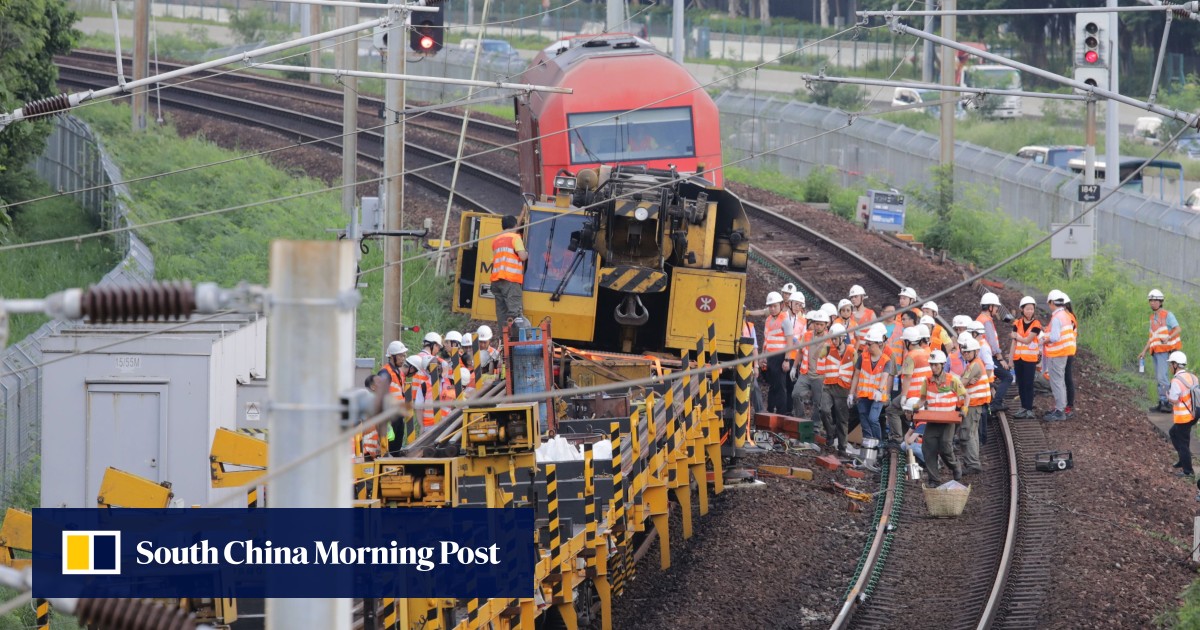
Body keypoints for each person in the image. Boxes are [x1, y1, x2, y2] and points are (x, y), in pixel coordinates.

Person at [915, 349, 966, 485]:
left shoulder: (952, 380)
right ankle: (934, 479)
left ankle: (955, 465)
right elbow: (922, 398)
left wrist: (964, 408)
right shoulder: (927, 381)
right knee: (928, 447)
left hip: (948, 421)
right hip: (932, 420)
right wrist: (916, 406)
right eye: (931, 365)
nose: (933, 368)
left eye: (936, 365)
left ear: (943, 365)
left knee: (945, 447)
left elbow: (965, 396)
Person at [1138, 289, 1182, 413]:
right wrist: (1144, 351)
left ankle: (1166, 403)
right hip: (1155, 351)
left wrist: (1168, 337)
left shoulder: (1167, 315)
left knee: (1162, 377)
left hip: (1164, 351)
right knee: (1159, 377)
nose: (1152, 303)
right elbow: (1151, 337)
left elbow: (1178, 329)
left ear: (1161, 301)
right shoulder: (1152, 318)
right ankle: (1162, 402)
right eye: (1151, 300)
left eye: (1155, 300)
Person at [884, 325, 931, 441]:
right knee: (909, 416)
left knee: (891, 410)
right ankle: (908, 438)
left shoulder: (911, 356)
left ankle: (897, 438)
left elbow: (908, 377)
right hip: (923, 394)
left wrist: (904, 396)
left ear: (908, 342)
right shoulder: (926, 353)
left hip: (912, 394)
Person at [848, 325, 891, 443]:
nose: (867, 346)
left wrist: (879, 390)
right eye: (867, 343)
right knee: (864, 418)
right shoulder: (863, 357)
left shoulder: (886, 360)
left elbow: (885, 376)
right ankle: (868, 442)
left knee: (873, 418)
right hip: (863, 395)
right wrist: (851, 393)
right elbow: (856, 375)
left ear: (879, 343)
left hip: (877, 396)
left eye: (870, 344)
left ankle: (878, 443)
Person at [820, 323, 854, 456]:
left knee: (842, 419)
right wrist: (824, 346)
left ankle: (842, 447)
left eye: (835, 339)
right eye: (832, 338)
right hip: (828, 386)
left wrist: (853, 392)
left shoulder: (852, 351)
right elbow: (819, 356)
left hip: (843, 389)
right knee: (824, 410)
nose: (833, 341)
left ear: (842, 338)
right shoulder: (828, 348)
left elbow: (857, 371)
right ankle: (830, 433)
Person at [1041, 289, 1075, 421]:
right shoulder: (1065, 315)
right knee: (1060, 381)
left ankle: (1060, 411)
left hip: (1057, 353)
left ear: (1051, 302)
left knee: (1057, 382)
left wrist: (1044, 340)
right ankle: (1060, 408)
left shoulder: (1056, 317)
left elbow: (1054, 337)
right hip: (1064, 352)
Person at [793, 310, 830, 427]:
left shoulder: (829, 339)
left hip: (820, 376)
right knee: (795, 394)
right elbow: (800, 352)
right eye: (816, 324)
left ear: (826, 325)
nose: (818, 326)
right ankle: (801, 419)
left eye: (821, 324)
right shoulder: (807, 335)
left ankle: (816, 425)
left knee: (817, 402)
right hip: (806, 373)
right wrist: (794, 367)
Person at [958, 336, 989, 474]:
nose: (965, 354)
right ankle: (973, 462)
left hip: (972, 405)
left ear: (976, 352)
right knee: (972, 433)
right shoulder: (973, 364)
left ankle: (973, 464)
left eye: (968, 352)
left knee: (967, 433)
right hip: (974, 405)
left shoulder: (974, 365)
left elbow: (961, 383)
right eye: (964, 352)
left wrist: (961, 381)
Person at [490, 215, 527, 328]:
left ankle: (503, 336)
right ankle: (514, 337)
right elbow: (522, 257)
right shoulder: (515, 238)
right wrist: (527, 253)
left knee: (501, 312)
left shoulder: (496, 240)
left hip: (496, 281)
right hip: (510, 280)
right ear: (515, 226)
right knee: (514, 312)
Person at [977, 292, 1013, 411]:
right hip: (987, 356)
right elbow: (992, 342)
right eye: (996, 306)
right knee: (1008, 377)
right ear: (990, 307)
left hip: (981, 355)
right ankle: (996, 403)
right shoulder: (986, 321)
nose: (997, 309)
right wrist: (1000, 358)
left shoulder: (980, 318)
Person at [1009, 296, 1042, 418]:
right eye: (1027, 309)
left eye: (1031, 309)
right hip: (1018, 359)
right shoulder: (1017, 323)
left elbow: (1028, 340)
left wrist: (1016, 336)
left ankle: (1029, 409)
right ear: (1022, 309)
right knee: (1021, 384)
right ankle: (1023, 407)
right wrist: (1010, 360)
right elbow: (1013, 343)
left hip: (1030, 360)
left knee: (1028, 384)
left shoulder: (1036, 324)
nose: (1029, 311)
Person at [761, 291, 794, 413]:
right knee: (773, 385)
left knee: (780, 386)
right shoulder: (768, 320)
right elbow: (766, 339)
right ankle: (770, 410)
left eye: (775, 306)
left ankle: (781, 412)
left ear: (781, 305)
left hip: (780, 357)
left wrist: (786, 360)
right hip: (770, 356)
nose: (772, 309)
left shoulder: (785, 320)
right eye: (770, 306)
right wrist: (763, 356)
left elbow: (789, 342)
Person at [1166, 351, 1198, 478]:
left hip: (1184, 416)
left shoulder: (1176, 381)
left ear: (1175, 365)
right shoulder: (1193, 377)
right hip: (1195, 413)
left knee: (1183, 442)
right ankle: (1182, 459)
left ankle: (1188, 471)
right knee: (1173, 432)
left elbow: (1174, 400)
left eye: (1170, 364)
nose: (1169, 367)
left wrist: (1168, 397)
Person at [1062, 294, 1078, 416]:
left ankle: (1069, 405)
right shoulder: (1070, 316)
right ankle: (1067, 404)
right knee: (1066, 378)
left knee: (1067, 378)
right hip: (1068, 349)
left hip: (1067, 350)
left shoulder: (1068, 317)